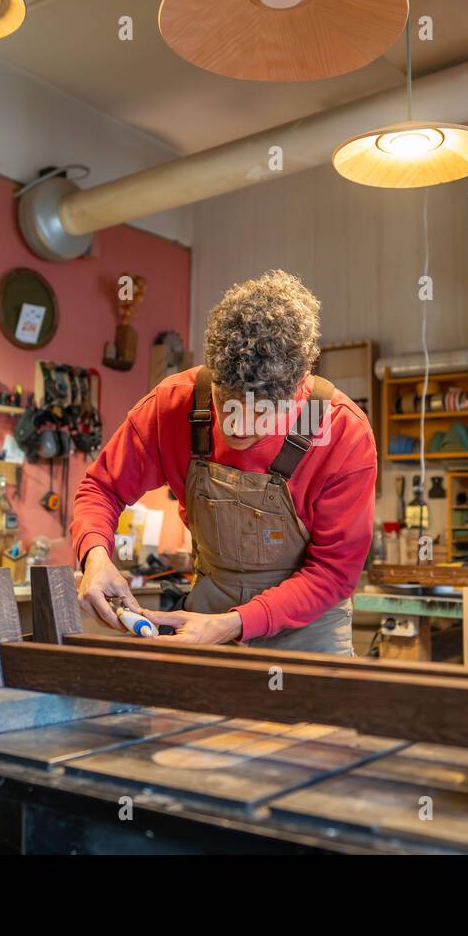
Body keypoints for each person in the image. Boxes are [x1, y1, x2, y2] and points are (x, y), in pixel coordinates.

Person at [70, 269, 378, 654]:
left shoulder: (340, 433)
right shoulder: (176, 403)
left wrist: (234, 624)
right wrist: (95, 556)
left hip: (307, 626)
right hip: (209, 609)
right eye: (226, 402)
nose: (238, 426)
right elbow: (101, 487)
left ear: (296, 391)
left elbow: (334, 572)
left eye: (260, 412)